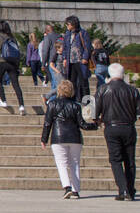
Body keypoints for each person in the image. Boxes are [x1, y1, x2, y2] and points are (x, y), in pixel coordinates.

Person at [40, 79, 94, 198]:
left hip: (58, 137)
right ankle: (75, 190)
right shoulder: (76, 105)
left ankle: (67, 187)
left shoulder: (52, 104)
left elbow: (47, 123)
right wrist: (95, 125)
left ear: (59, 90)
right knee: (74, 163)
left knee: (62, 163)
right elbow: (82, 124)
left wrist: (44, 139)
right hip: (75, 137)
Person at [97, 63, 138, 200]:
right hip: (128, 127)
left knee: (115, 160)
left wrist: (97, 120)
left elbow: (95, 110)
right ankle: (130, 190)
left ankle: (123, 189)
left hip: (111, 127)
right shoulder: (133, 90)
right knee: (130, 160)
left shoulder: (103, 89)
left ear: (109, 74)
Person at [0, 20, 26, 114]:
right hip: (12, 63)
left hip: (0, 62)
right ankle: (21, 106)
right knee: (16, 84)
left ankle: (3, 100)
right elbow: (17, 52)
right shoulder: (12, 37)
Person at [60, 16, 93, 103]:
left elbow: (87, 46)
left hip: (80, 60)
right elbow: (65, 47)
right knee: (72, 82)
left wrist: (85, 57)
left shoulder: (82, 33)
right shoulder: (67, 34)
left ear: (73, 24)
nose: (67, 25)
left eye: (68, 24)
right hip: (71, 61)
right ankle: (72, 100)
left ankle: (86, 101)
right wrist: (64, 58)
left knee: (83, 82)